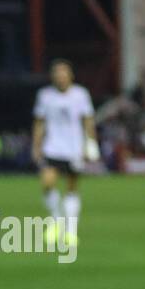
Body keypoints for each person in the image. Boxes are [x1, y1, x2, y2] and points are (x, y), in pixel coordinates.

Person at [32, 59, 97, 245]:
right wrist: (36, 146)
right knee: (47, 183)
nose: (60, 76)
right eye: (57, 73)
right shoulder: (45, 95)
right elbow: (39, 122)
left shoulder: (80, 94)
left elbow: (88, 120)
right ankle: (56, 219)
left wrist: (90, 143)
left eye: (63, 73)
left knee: (71, 188)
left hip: (74, 148)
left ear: (71, 76)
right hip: (52, 147)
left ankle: (71, 230)